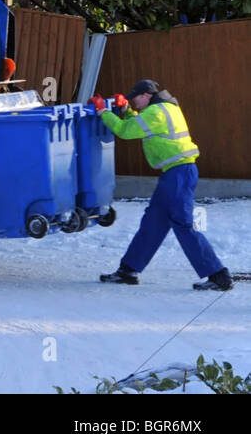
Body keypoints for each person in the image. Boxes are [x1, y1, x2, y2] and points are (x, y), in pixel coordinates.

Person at [95, 79, 233, 291]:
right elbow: (140, 126)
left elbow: (125, 131)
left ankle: (218, 275)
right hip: (177, 173)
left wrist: (103, 111)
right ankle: (128, 270)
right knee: (153, 222)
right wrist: (125, 109)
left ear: (147, 95)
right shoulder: (165, 108)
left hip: (178, 174)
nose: (135, 102)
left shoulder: (156, 112)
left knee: (183, 224)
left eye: (136, 98)